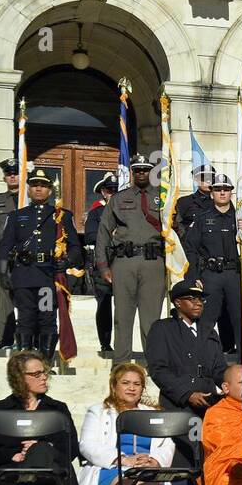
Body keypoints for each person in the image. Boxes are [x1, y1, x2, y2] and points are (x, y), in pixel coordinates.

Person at [77, 362, 190, 485]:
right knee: (126, 481)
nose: (132, 388)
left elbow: (167, 444)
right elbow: (87, 445)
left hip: (145, 467)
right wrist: (122, 459)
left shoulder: (153, 414)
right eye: (125, 383)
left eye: (137, 384)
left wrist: (154, 460)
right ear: (114, 386)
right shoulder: (98, 411)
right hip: (111, 467)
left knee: (151, 482)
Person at [0, 168, 82, 358]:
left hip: (47, 277)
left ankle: (44, 363)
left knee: (47, 319)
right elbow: (5, 247)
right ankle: (25, 362)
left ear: (50, 191)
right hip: (23, 277)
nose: (38, 189)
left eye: (43, 186)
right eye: (34, 185)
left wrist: (66, 262)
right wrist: (3, 273)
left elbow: (76, 248)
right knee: (25, 319)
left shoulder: (61, 216)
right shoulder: (16, 216)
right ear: (28, 189)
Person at [95, 154, 166, 364]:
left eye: (145, 169)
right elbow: (104, 232)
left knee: (151, 319)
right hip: (124, 262)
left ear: (151, 171)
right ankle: (120, 365)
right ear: (133, 172)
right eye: (138, 170)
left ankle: (154, 366)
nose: (142, 173)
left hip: (153, 263)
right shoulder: (118, 198)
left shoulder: (162, 197)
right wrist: (103, 266)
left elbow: (174, 231)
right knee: (122, 318)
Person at [0, 349, 80, 485]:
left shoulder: (58, 409)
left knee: (41, 450)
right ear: (19, 377)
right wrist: (14, 455)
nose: (43, 377)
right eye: (36, 374)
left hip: (52, 473)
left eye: (44, 372)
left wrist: (44, 449)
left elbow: (71, 449)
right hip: (12, 475)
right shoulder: (1, 410)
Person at [182, 172, 242, 358]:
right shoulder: (202, 219)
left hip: (234, 274)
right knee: (205, 320)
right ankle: (201, 360)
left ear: (231, 193)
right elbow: (191, 249)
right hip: (210, 276)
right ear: (211, 193)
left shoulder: (241, 220)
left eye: (226, 189)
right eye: (218, 189)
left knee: (241, 319)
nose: (222, 193)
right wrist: (193, 277)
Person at [144, 280, 227, 416]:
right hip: (177, 406)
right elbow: (158, 370)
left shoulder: (209, 332)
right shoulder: (162, 329)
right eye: (192, 299)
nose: (199, 303)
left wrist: (228, 383)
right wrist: (186, 394)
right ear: (178, 302)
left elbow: (219, 368)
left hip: (209, 403)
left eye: (201, 299)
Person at [84, 173, 117, 354]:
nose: (113, 193)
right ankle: (105, 343)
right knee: (104, 304)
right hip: (103, 262)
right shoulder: (96, 212)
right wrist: (108, 234)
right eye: (109, 190)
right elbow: (89, 235)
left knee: (123, 306)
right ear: (103, 192)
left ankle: (122, 341)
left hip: (123, 262)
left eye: (116, 190)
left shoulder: (127, 210)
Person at [0, 157, 21, 348]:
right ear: (4, 178)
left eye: (16, 173)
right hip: (4, 255)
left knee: (28, 298)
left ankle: (28, 339)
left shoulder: (29, 199)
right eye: (9, 174)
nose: (12, 176)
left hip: (26, 257)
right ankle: (6, 339)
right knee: (5, 299)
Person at [175, 165, 215, 234]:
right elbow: (175, 225)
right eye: (204, 178)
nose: (208, 181)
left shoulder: (221, 202)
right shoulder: (185, 202)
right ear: (196, 180)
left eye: (211, 178)